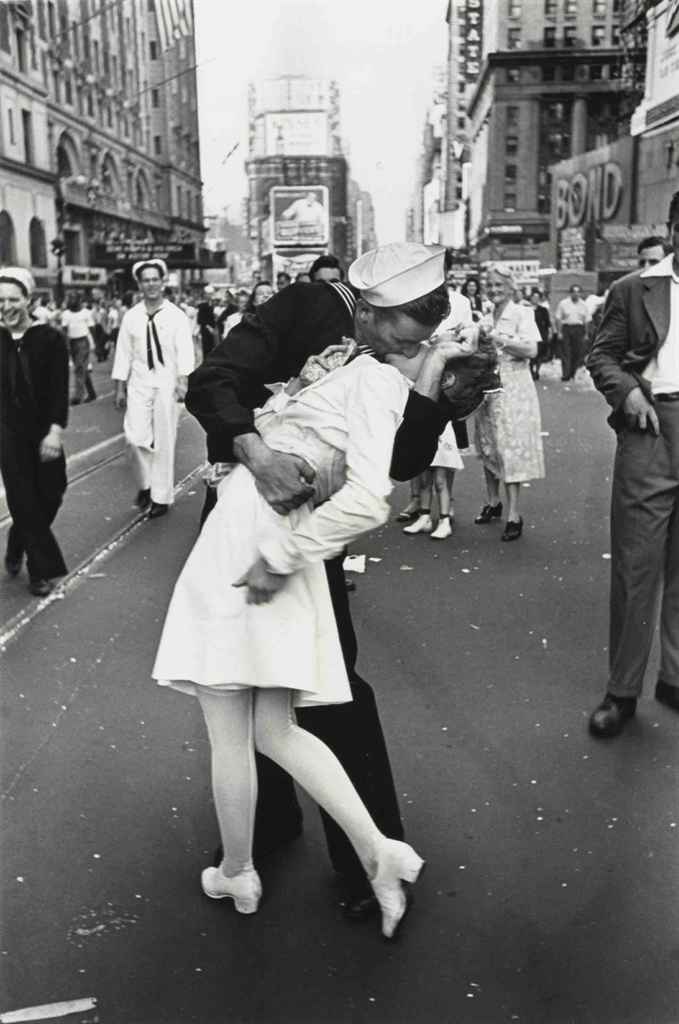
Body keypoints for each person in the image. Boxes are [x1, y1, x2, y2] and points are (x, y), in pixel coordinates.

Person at [185, 243, 452, 919]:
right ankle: (265, 830)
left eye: (417, 338)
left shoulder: (409, 357)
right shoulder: (304, 303)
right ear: (368, 305)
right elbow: (212, 379)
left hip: (305, 531)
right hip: (253, 507)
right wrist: (257, 450)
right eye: (397, 331)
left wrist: (433, 398)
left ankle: (356, 856)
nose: (402, 345)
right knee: (259, 697)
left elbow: (399, 465)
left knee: (319, 686)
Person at [586, 192, 679, 738]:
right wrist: (628, 395)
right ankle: (621, 692)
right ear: (672, 228)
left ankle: (674, 677)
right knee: (636, 568)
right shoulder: (634, 289)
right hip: (651, 428)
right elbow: (601, 355)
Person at [0, 268, 69, 596]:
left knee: (52, 491)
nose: (6, 306)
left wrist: (54, 432)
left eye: (13, 299)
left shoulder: (50, 339)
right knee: (23, 497)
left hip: (43, 428)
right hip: (6, 432)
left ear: (28, 300)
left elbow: (58, 389)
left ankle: (18, 539)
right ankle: (40, 572)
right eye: (0, 300)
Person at [111, 259, 195, 519]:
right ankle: (146, 485)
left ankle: (161, 497)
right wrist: (120, 388)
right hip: (139, 382)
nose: (151, 284)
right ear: (139, 284)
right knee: (134, 438)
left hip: (167, 383)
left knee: (165, 440)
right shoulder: (132, 317)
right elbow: (123, 353)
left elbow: (185, 351)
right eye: (145, 280)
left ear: (163, 282)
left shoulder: (176, 316)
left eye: (155, 279)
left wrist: (183, 382)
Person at [473, 264, 545, 541]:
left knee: (510, 448)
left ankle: (514, 514)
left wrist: (496, 339)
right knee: (489, 445)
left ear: (511, 287)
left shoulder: (522, 313)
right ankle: (493, 501)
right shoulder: (486, 315)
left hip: (514, 388)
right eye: (490, 286)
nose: (493, 290)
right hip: (488, 388)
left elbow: (531, 349)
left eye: (499, 286)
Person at [60, 294, 96, 404]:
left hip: (83, 342)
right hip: (72, 342)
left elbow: (92, 328)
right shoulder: (66, 314)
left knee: (79, 368)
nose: (72, 301)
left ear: (80, 300)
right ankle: (92, 393)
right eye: (70, 299)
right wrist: (66, 345)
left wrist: (92, 342)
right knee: (82, 368)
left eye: (74, 299)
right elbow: (64, 330)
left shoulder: (86, 313)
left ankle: (77, 397)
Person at [555, 284, 590, 382]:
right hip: (567, 328)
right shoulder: (563, 303)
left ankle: (572, 373)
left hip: (579, 329)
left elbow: (587, 320)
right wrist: (559, 332)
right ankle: (565, 374)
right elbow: (558, 318)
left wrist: (586, 334)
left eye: (578, 292)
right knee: (566, 352)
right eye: (574, 292)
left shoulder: (583, 305)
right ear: (570, 293)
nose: (576, 294)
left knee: (577, 352)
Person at [529, 288, 552, 380]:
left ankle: (537, 371)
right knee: (531, 354)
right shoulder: (526, 309)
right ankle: (531, 370)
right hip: (529, 334)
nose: (535, 299)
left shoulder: (543, 310)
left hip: (541, 334)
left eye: (537, 298)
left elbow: (547, 323)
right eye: (534, 297)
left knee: (539, 354)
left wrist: (549, 333)